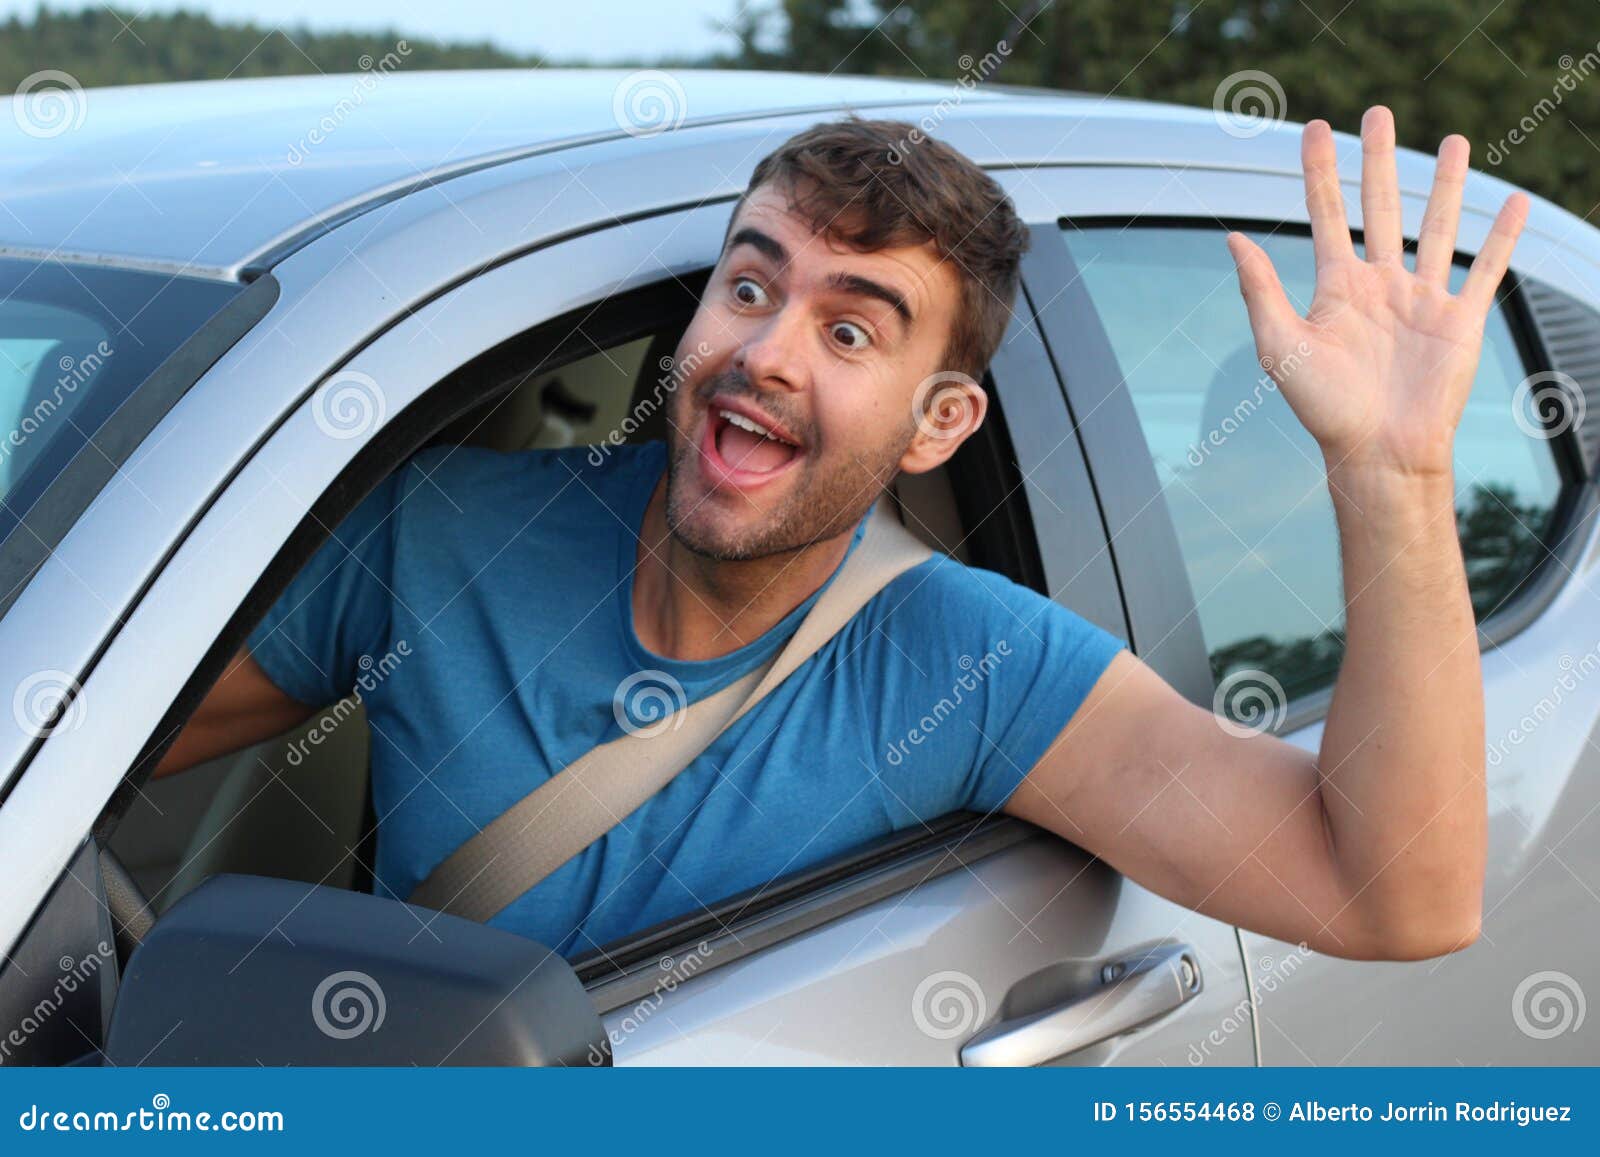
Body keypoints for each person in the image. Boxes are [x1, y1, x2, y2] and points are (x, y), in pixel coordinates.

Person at [155, 108, 1526, 962]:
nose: (764, 350)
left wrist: (1393, 467)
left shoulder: (974, 662)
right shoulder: (444, 530)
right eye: (750, 285)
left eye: (849, 328)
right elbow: (86, 745)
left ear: (938, 424)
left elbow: (1394, 898)